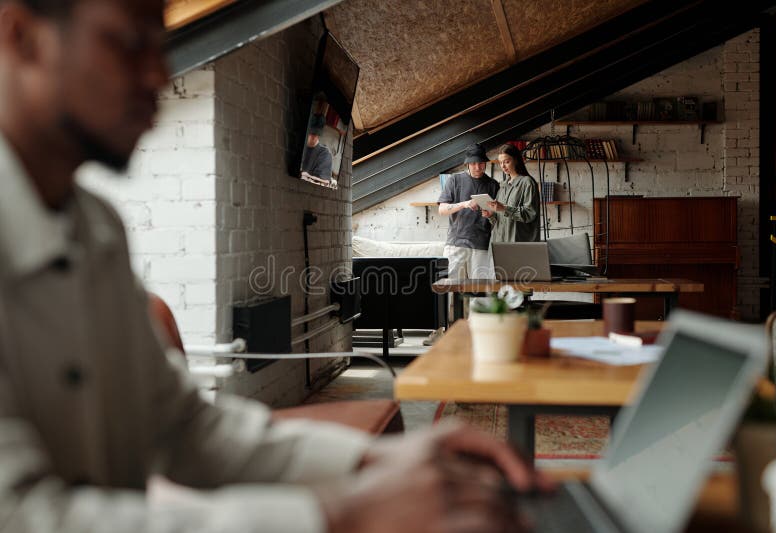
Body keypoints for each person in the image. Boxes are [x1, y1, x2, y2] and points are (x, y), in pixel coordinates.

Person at [0, 1, 544, 532]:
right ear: (20, 35)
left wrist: (374, 462)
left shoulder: (95, 228)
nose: (160, 72)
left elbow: (184, 429)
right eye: (130, 39)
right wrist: (340, 513)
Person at [437, 143, 500, 278]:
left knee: (479, 292)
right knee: (452, 289)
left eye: (481, 163)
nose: (478, 167)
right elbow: (442, 210)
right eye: (473, 164)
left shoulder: (493, 185)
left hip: (481, 245)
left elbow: (498, 217)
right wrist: (464, 204)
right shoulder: (455, 180)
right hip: (456, 244)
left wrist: (491, 214)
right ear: (467, 164)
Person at [482, 143, 541, 243]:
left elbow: (530, 214)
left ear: (516, 160)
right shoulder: (503, 185)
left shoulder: (527, 182)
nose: (503, 166)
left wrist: (504, 208)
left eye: (507, 162)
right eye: (500, 163)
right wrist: (491, 215)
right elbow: (499, 220)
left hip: (518, 243)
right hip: (499, 241)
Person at [301, 113, 333, 181]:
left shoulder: (325, 155)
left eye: (315, 134)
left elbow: (324, 181)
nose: (313, 136)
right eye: (311, 133)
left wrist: (307, 177)